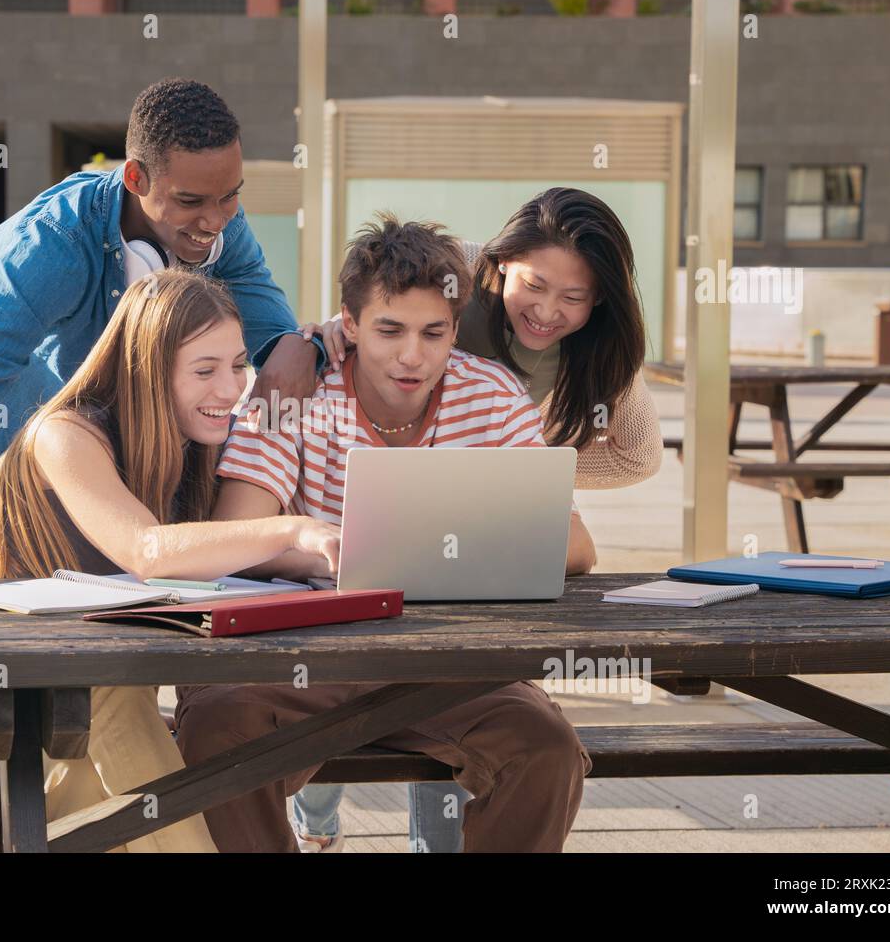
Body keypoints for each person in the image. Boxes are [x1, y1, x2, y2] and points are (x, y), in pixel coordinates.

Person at [0, 269, 342, 852]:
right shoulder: (65, 433)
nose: (231, 388)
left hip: (64, 693)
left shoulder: (195, 450)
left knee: (102, 785)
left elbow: (226, 557)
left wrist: (337, 559)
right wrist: (292, 527)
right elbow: (147, 551)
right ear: (145, 368)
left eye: (238, 365)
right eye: (205, 370)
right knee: (111, 696)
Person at [176, 215, 594, 853]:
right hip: (305, 651)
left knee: (546, 747)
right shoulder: (293, 394)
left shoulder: (496, 397)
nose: (412, 356)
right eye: (389, 330)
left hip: (445, 658)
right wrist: (332, 553)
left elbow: (576, 545)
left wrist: (424, 554)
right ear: (348, 325)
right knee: (214, 728)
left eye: (434, 333)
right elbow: (237, 531)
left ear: (456, 329)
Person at [297, 186, 663, 852]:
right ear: (499, 267)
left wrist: (519, 480)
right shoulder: (457, 274)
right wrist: (299, 350)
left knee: (443, 695)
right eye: (535, 285)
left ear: (601, 299)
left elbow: (637, 456)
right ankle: (316, 822)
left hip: (474, 509)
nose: (548, 310)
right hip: (387, 482)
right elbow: (365, 315)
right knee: (337, 690)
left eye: (574, 297)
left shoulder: (593, 349)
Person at [0, 77, 324, 583]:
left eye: (230, 196)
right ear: (135, 179)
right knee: (5, 543)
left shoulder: (221, 226)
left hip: (88, 421)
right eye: (192, 200)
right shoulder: (52, 245)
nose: (216, 220)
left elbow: (271, 326)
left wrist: (304, 346)